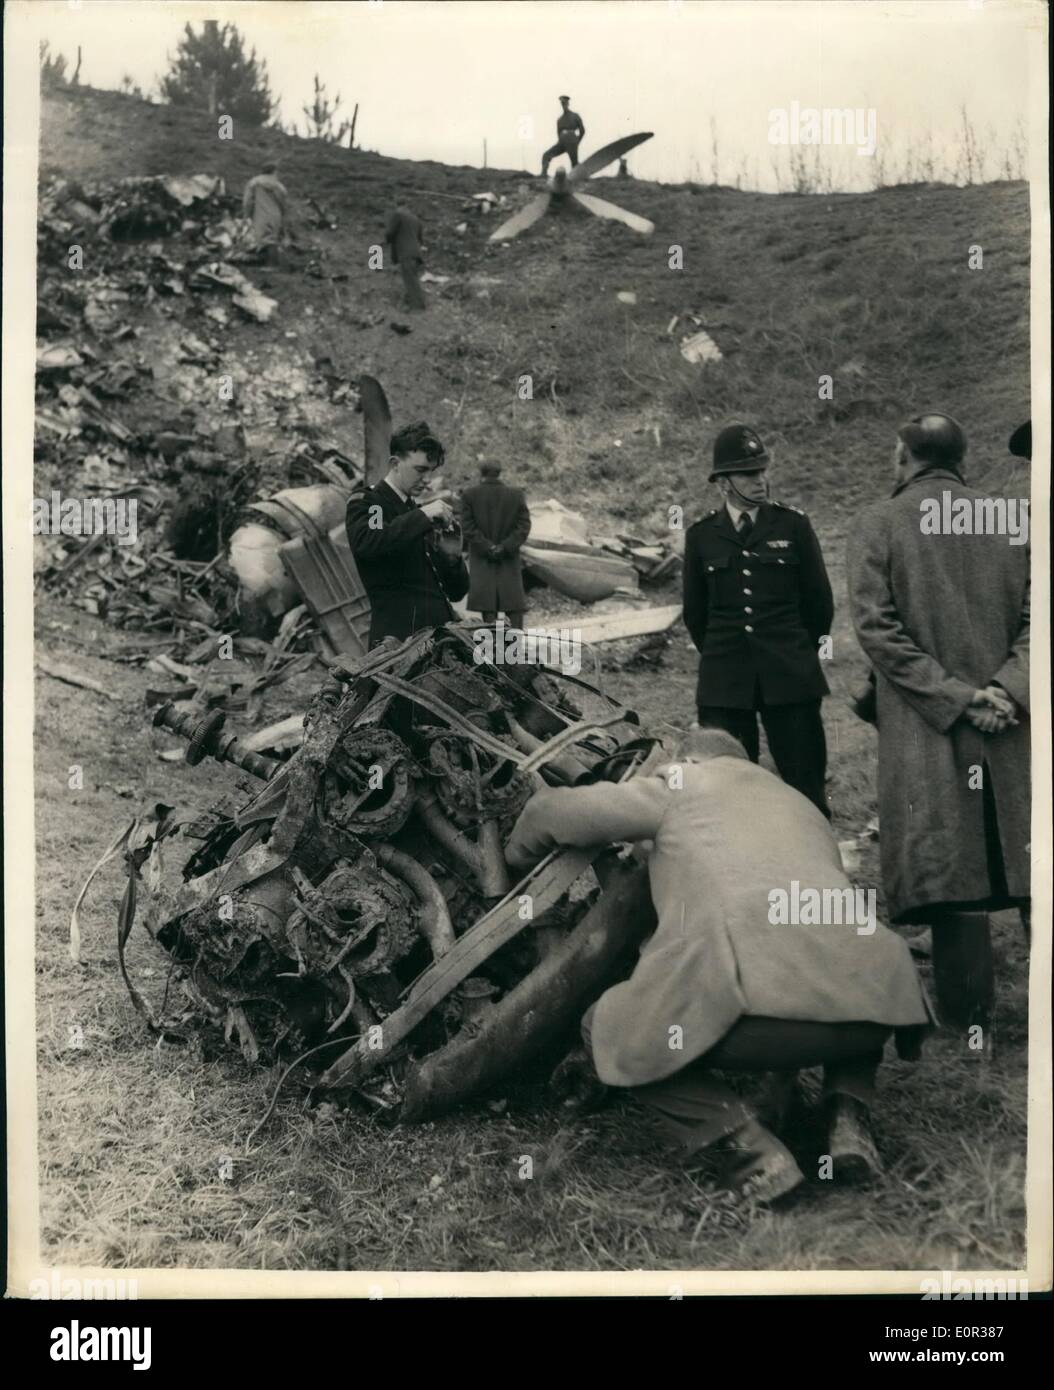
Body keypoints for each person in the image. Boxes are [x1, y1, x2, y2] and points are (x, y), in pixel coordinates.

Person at [505, 727, 932, 1204]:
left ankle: (752, 1153)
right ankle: (847, 1115)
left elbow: (554, 812)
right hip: (875, 1009)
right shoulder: (799, 804)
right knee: (840, 954)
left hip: (754, 1018)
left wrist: (511, 859)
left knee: (605, 1026)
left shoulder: (683, 785)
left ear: (689, 763)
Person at [848, 413, 1030, 1035]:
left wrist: (956, 698)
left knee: (951, 859)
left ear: (903, 456)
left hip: (930, 724)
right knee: (1029, 852)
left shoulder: (879, 522)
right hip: (1015, 720)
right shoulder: (1011, 518)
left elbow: (878, 631)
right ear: (962, 457)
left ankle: (969, 1013)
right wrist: (1007, 688)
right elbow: (1042, 620)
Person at [682, 424, 834, 818]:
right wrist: (728, 656)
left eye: (763, 471)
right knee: (727, 791)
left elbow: (819, 604)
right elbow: (696, 613)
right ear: (723, 482)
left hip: (789, 676)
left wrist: (796, 652)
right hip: (725, 681)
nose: (761, 480)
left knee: (806, 788)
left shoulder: (793, 525)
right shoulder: (701, 536)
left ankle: (813, 871)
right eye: (749, 473)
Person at [346, 422, 469, 647]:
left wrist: (452, 558)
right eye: (420, 469)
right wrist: (423, 516)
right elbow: (370, 542)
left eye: (431, 471)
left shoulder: (414, 512)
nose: (427, 479)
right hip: (397, 646)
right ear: (395, 463)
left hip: (437, 642)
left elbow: (456, 592)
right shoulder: (372, 503)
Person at [459, 462, 532, 629]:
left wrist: (487, 547)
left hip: (484, 562)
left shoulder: (470, 495)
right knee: (514, 612)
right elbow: (524, 527)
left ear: (481, 473)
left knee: (488, 616)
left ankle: (492, 652)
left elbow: (468, 528)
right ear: (500, 473)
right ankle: (515, 652)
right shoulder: (516, 495)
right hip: (509, 561)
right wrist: (505, 547)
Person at [242, 163, 289, 260]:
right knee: (272, 238)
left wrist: (246, 214)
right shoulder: (279, 186)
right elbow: (284, 204)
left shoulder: (254, 183)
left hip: (261, 214)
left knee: (264, 238)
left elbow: (248, 201)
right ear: (274, 171)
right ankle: (268, 262)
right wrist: (283, 216)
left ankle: (272, 265)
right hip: (276, 215)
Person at [384, 207, 426, 310]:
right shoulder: (416, 220)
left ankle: (417, 307)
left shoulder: (398, 215)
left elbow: (390, 233)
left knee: (410, 281)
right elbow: (420, 239)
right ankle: (413, 303)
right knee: (413, 279)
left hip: (406, 253)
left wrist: (388, 239)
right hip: (417, 254)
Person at [541, 95, 585, 175]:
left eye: (565, 103)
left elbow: (582, 130)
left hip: (571, 140)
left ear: (568, 104)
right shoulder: (560, 119)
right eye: (562, 104)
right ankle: (543, 175)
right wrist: (561, 141)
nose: (563, 105)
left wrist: (576, 141)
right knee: (546, 155)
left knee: (574, 163)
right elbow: (558, 133)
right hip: (562, 142)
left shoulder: (575, 116)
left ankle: (578, 177)